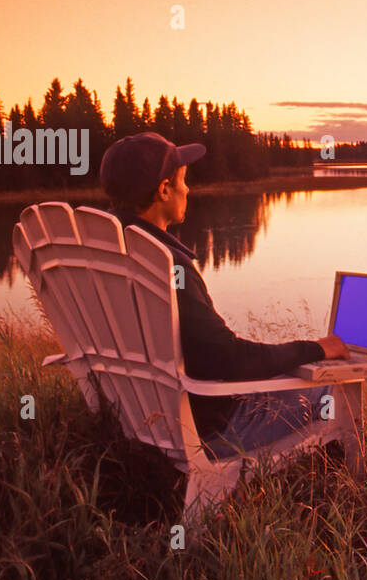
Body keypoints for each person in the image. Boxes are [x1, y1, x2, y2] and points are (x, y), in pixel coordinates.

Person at [98, 131, 348, 460]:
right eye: (183, 180)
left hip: (134, 419)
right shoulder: (168, 267)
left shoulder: (108, 259)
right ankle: (335, 488)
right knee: (331, 388)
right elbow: (228, 359)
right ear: (164, 190)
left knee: (286, 375)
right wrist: (316, 348)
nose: (188, 189)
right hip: (205, 430)